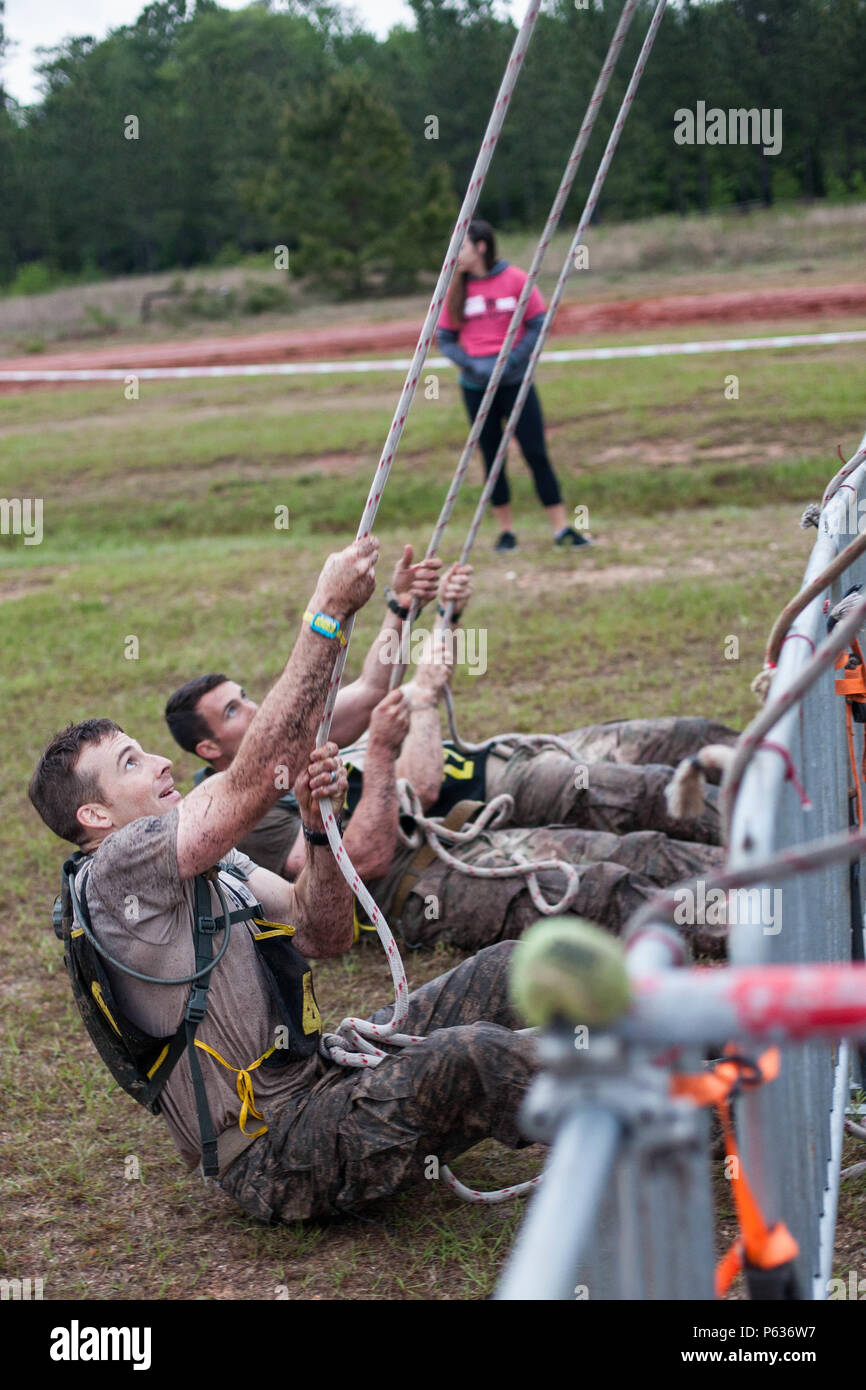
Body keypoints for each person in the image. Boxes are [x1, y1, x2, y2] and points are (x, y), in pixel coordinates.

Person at [29, 538, 538, 1225]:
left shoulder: (212, 862)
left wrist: (317, 831)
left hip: (323, 1078)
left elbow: (323, 932)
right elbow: (249, 776)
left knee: (511, 968)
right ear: (94, 815)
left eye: (144, 748)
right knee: (472, 1057)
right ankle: (681, 1106)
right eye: (129, 764)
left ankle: (661, 1037)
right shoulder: (112, 872)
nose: (159, 763)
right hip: (280, 1155)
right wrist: (326, 611)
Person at [166, 565, 736, 955]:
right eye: (236, 710)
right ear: (209, 750)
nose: (259, 708)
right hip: (422, 879)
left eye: (246, 695)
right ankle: (772, 918)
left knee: (640, 823)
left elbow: (368, 689)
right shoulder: (239, 814)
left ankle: (777, 845)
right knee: (609, 883)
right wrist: (389, 747)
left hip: (449, 819)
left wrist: (398, 607)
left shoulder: (287, 737)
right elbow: (361, 859)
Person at [437, 217, 588, 553]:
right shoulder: (455, 289)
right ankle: (506, 533)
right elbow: (444, 338)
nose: (454, 254)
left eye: (459, 246)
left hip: (516, 384)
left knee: (536, 453)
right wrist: (471, 364)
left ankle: (561, 529)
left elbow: (537, 324)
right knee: (492, 457)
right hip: (476, 389)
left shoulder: (516, 279)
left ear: (481, 246)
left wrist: (514, 359)